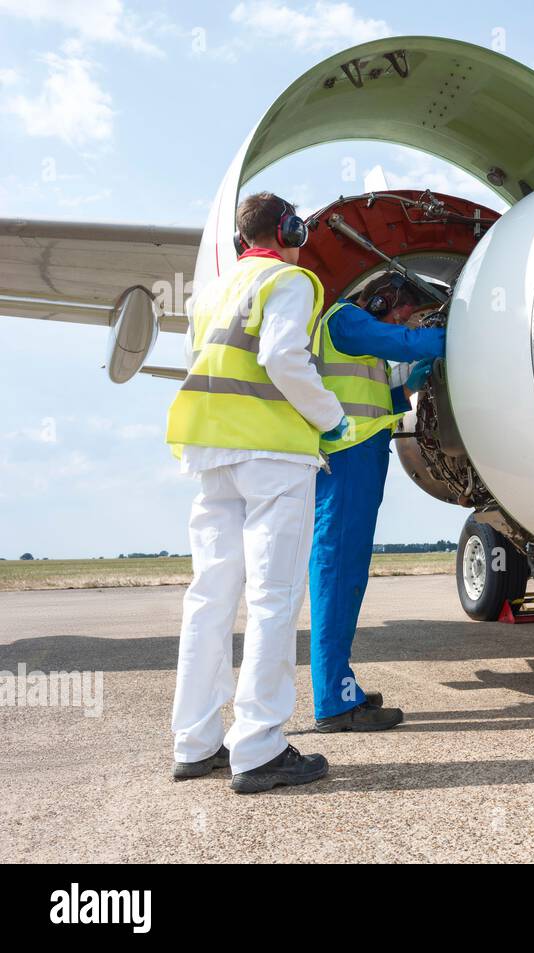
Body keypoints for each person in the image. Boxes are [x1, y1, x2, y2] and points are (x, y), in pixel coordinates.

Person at [166, 192, 353, 794]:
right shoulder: (289, 279)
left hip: (210, 452)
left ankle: (195, 743)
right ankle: (259, 749)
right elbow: (281, 357)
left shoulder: (214, 290)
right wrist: (329, 417)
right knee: (273, 598)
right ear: (289, 228)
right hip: (272, 455)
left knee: (211, 597)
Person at [308, 270, 446, 732]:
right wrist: (456, 339)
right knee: (337, 572)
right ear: (382, 299)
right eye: (407, 312)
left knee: (347, 575)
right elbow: (403, 343)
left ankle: (341, 688)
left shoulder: (363, 344)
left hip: (361, 465)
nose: (410, 323)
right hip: (346, 464)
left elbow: (382, 398)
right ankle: (332, 700)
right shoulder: (345, 320)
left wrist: (413, 383)